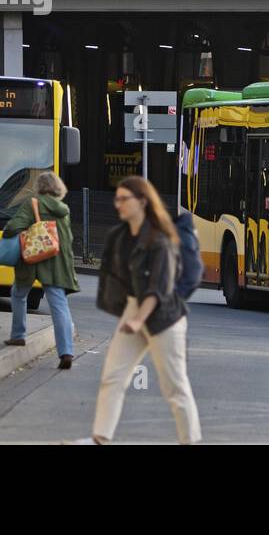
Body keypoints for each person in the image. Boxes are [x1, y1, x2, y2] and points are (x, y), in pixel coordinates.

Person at [85, 176, 200, 445]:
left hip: (164, 314)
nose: (118, 205)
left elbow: (158, 289)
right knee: (113, 376)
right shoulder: (122, 236)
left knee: (174, 385)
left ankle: (190, 440)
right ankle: (100, 438)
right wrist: (126, 309)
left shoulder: (160, 240)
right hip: (135, 306)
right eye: (117, 198)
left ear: (143, 202)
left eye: (124, 199)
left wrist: (138, 319)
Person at [2, 172, 79, 369]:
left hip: (34, 259)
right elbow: (67, 238)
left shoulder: (33, 203)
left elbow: (12, 227)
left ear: (39, 186)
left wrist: (25, 230)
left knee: (18, 294)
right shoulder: (64, 209)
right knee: (59, 306)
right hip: (57, 262)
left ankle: (18, 335)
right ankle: (66, 352)